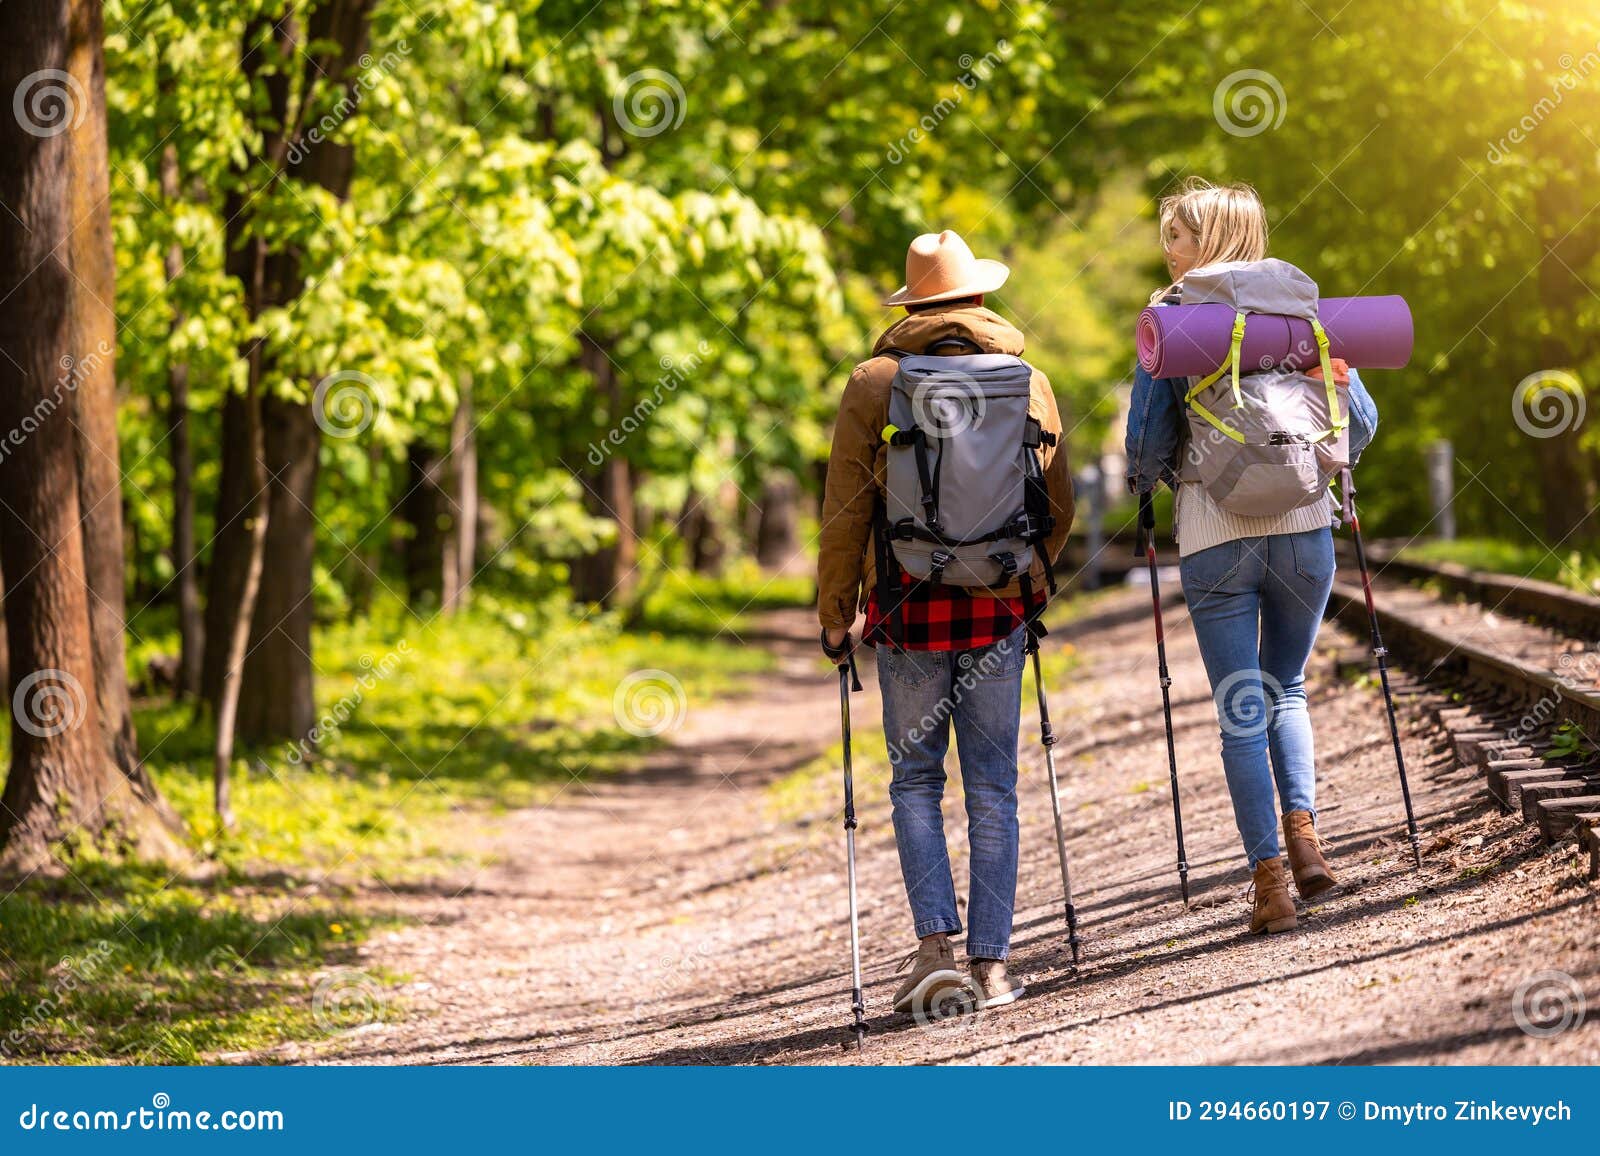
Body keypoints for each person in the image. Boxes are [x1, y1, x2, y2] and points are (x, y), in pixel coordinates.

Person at [817, 230, 1073, 1013]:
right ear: (979, 299)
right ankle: (993, 966)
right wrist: (1026, 579)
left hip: (903, 608)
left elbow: (846, 509)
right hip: (997, 605)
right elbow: (1056, 502)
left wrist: (838, 612)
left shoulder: (874, 382)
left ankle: (935, 950)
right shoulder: (1025, 378)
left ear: (911, 303)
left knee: (916, 780)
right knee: (994, 786)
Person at [1124, 178, 1379, 934]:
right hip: (1305, 528)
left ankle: (1269, 887)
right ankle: (1309, 848)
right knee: (1288, 688)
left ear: (1203, 244)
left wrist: (1164, 482)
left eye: (1176, 235)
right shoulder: (1302, 308)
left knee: (1243, 708)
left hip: (1214, 533)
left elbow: (1143, 443)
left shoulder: (1171, 320)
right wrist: (1311, 460)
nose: (1166, 248)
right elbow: (1358, 421)